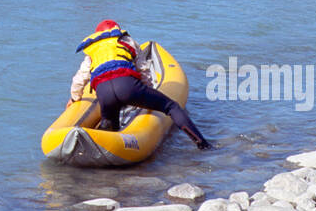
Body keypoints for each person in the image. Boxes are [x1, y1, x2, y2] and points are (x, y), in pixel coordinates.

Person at [69, 20, 210, 148]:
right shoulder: (127, 41)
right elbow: (144, 71)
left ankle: (101, 149)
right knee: (171, 107)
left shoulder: (92, 50)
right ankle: (203, 145)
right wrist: (148, 92)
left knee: (110, 123)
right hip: (127, 87)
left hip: (104, 92)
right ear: (117, 30)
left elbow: (79, 79)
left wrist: (74, 98)